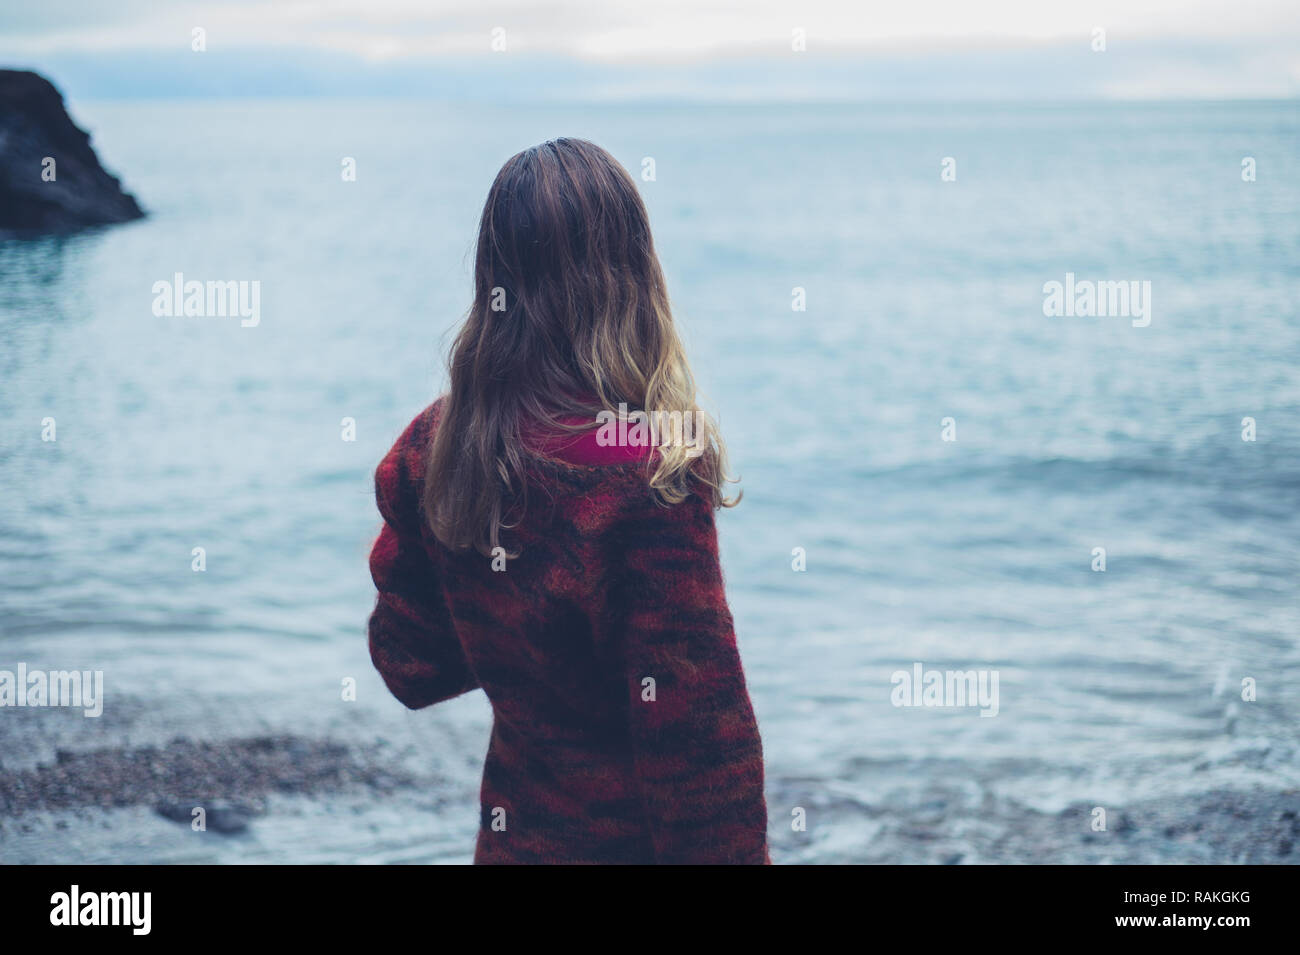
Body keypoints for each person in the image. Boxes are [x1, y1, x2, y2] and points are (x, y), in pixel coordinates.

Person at [367, 138, 768, 864]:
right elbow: (696, 742)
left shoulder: (439, 447)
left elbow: (412, 667)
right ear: (633, 276)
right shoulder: (650, 471)